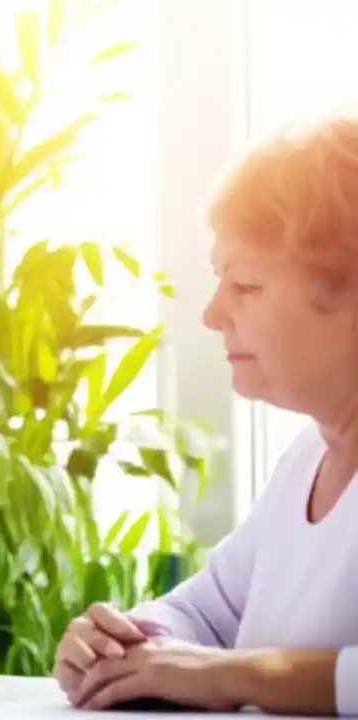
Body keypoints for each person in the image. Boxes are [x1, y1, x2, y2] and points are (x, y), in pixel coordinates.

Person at [53, 117, 358, 716]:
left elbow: (220, 666)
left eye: (245, 284)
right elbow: (202, 613)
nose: (213, 314)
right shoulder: (308, 458)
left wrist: (233, 676)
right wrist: (123, 644)